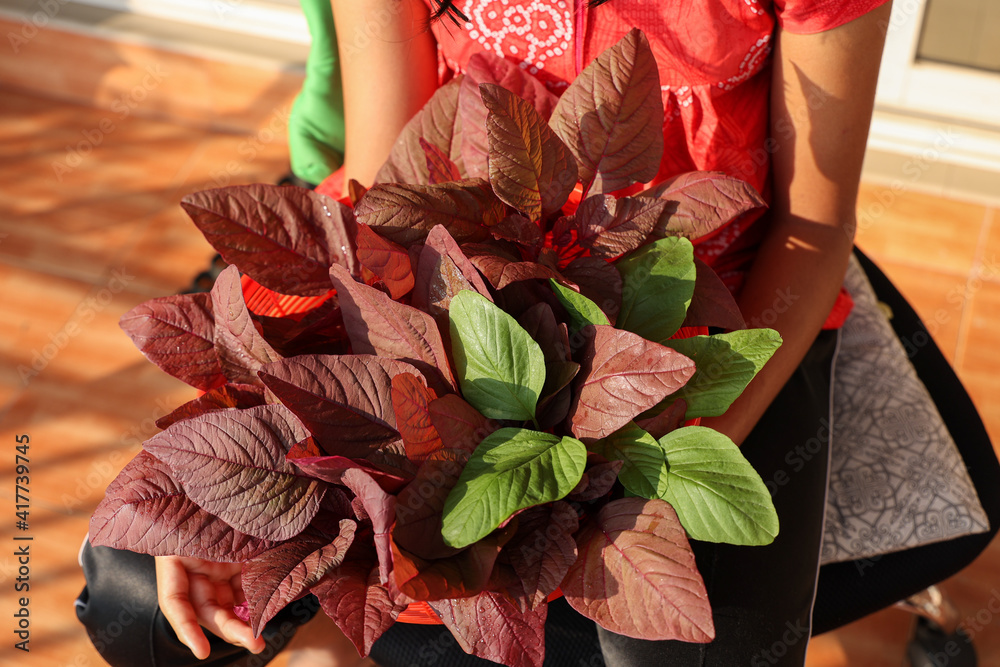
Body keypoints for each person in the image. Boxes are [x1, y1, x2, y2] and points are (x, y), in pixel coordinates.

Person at [78, 1, 991, 666]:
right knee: (142, 598)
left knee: (680, 649)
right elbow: (383, 171)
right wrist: (245, 426)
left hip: (707, 312)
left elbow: (814, 228)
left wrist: (659, 459)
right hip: (460, 294)